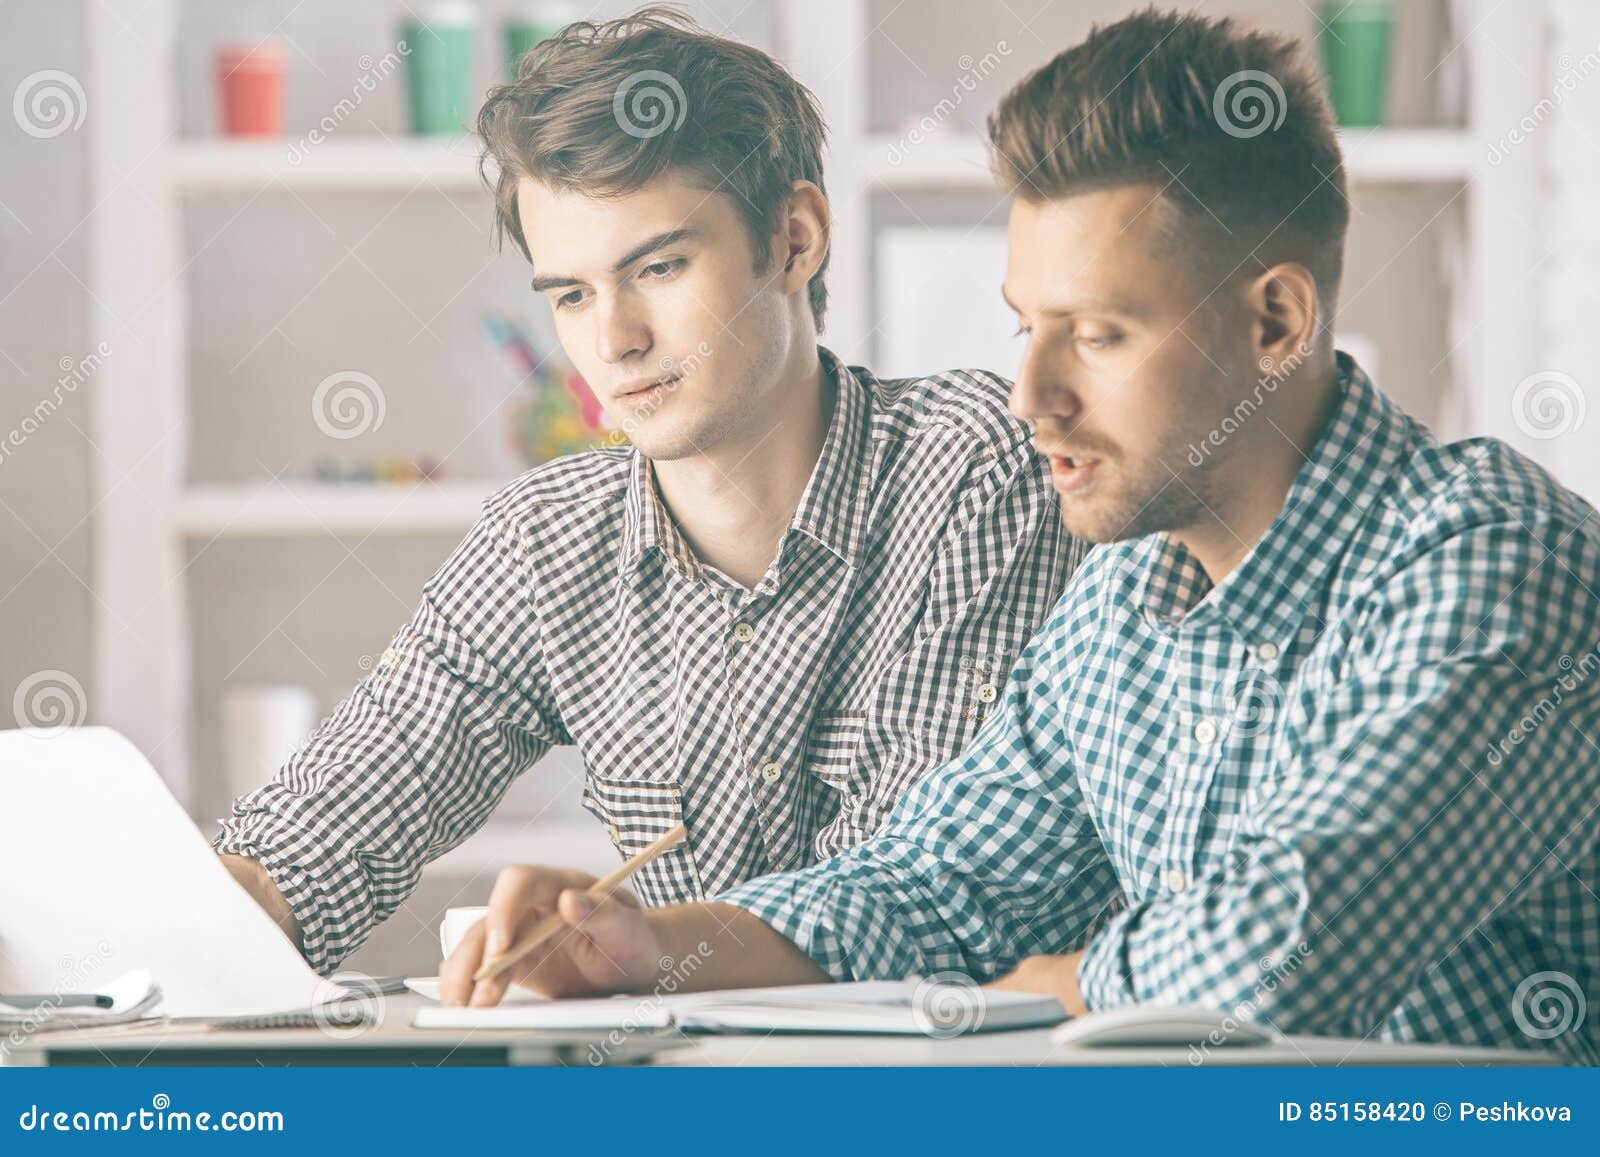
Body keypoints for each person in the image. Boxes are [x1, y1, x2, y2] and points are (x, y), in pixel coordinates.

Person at [439, 8, 1600, 1064]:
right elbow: (938, 885)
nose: (1030, 395)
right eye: (1022, 329)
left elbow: (1282, 953)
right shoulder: (1125, 591)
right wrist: (648, 942)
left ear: (1275, 321)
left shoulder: (1491, 556)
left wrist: (1068, 980)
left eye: (1094, 335)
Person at [213, 8, 1080, 976]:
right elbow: (338, 811)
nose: (614, 340)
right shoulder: (544, 540)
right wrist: (196, 916)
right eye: (572, 294)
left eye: (659, 267)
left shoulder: (980, 473)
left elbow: (931, 891)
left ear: (794, 238)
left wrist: (656, 947)